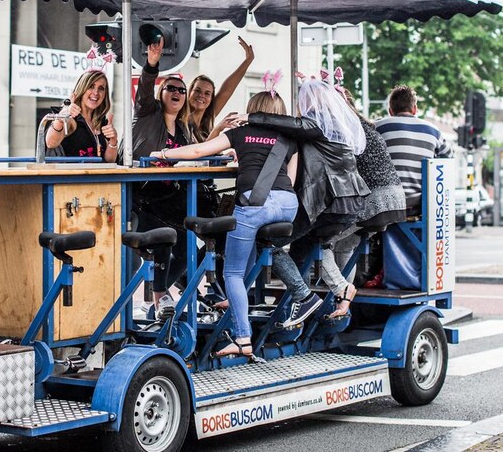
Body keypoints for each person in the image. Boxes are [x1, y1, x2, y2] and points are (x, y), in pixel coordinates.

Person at [152, 91, 299, 359]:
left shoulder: (240, 133)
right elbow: (290, 178)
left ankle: (243, 338)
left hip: (255, 207)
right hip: (288, 207)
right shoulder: (288, 138)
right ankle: (236, 301)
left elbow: (198, 150)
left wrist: (162, 153)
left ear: (252, 109)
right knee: (252, 243)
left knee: (232, 272)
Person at [245, 80, 371, 322]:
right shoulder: (336, 125)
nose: (301, 105)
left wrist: (251, 117)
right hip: (348, 204)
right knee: (303, 248)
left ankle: (303, 298)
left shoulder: (319, 122)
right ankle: (316, 301)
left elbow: (294, 125)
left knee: (265, 240)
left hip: (331, 203)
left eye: (303, 99)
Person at [132, 37, 195, 317]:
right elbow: (144, 90)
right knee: (165, 238)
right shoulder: (148, 113)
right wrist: (152, 64)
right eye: (171, 88)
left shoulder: (185, 130)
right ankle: (160, 297)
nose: (176, 92)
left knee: (193, 241)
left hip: (173, 198)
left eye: (181, 90)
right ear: (162, 93)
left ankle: (160, 297)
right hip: (144, 197)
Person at [374, 85, 452, 216]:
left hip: (385, 203)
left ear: (390, 111)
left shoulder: (377, 127)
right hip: (419, 203)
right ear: (414, 109)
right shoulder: (433, 131)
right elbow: (448, 159)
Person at [186, 37, 255, 142]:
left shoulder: (207, 118)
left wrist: (248, 61)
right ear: (189, 92)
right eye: (197, 90)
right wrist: (219, 128)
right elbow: (199, 151)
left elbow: (225, 92)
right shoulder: (179, 120)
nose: (201, 95)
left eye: (207, 93)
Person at [43, 70, 118, 163]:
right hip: (74, 176)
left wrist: (113, 140)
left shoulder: (102, 122)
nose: (96, 92)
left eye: (101, 88)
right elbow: (51, 143)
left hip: (98, 176)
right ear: (82, 89)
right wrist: (61, 118)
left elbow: (109, 161)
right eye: (91, 86)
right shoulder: (70, 119)